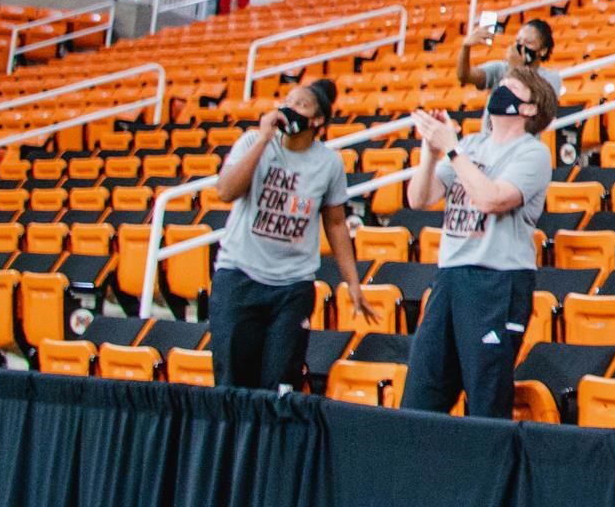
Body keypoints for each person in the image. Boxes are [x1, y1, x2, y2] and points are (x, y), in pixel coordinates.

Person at [402, 66, 559, 418]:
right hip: (450, 274)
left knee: (486, 396)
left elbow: (492, 198)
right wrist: (431, 150)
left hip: (497, 278)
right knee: (421, 395)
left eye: (511, 86)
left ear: (529, 108)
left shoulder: (533, 153)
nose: (500, 89)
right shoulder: (471, 144)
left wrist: (451, 149)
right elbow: (419, 198)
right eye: (500, 84)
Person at [209, 78, 369, 391]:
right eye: (288, 101)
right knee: (231, 383)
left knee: (281, 382)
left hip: (292, 286)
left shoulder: (329, 163)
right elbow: (226, 191)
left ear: (317, 120)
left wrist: (352, 282)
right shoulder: (252, 141)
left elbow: (336, 224)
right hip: (239, 277)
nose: (290, 108)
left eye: (301, 104)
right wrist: (263, 140)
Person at [455, 16, 563, 94]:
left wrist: (516, 70)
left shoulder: (551, 78)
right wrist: (465, 47)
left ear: (543, 50)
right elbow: (464, 76)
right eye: (518, 41)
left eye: (528, 43)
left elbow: (530, 102)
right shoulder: (500, 68)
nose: (521, 46)